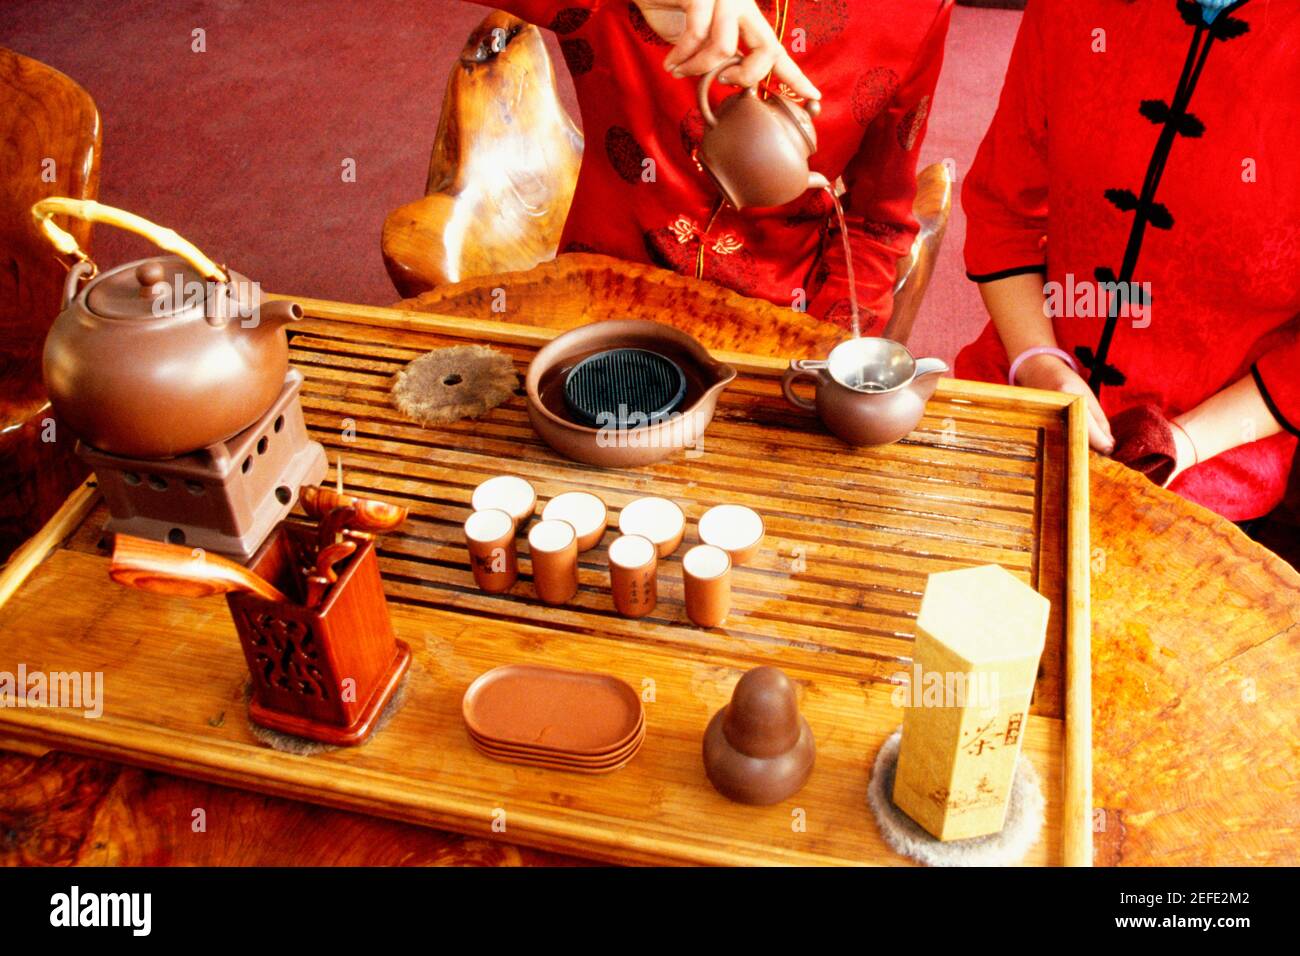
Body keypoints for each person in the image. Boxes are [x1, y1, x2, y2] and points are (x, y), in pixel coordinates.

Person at [955, 0, 1299, 522]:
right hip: (1019, 388)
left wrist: (1182, 442)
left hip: (1215, 465)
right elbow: (1003, 209)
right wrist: (1040, 363)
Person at [472, 0, 954, 331]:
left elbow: (879, 222)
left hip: (776, 326)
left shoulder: (915, 11)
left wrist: (833, 352)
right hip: (599, 301)